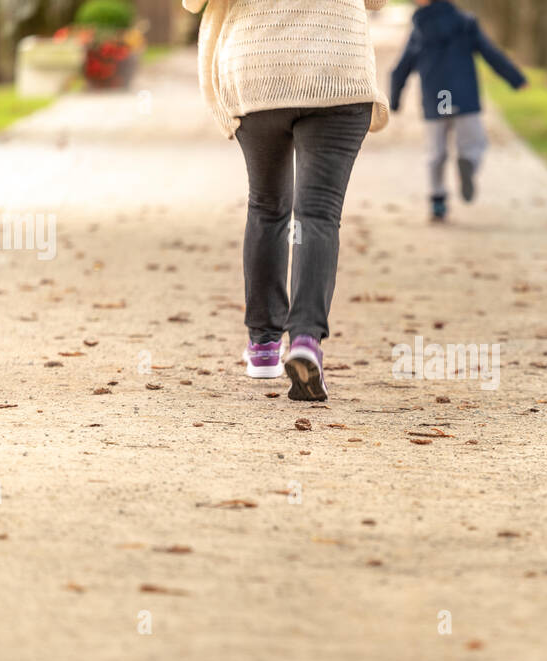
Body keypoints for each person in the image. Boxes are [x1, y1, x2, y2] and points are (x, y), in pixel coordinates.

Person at [184, 0, 390, 401]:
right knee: (319, 214)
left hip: (259, 68)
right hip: (337, 69)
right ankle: (306, 340)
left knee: (267, 207)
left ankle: (262, 347)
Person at [389, 0, 526, 222]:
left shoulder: (420, 28)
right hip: (464, 95)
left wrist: (394, 100)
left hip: (436, 97)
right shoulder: (465, 22)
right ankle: (468, 165)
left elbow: (401, 67)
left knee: (436, 152)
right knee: (475, 142)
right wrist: (515, 78)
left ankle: (438, 200)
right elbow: (491, 53)